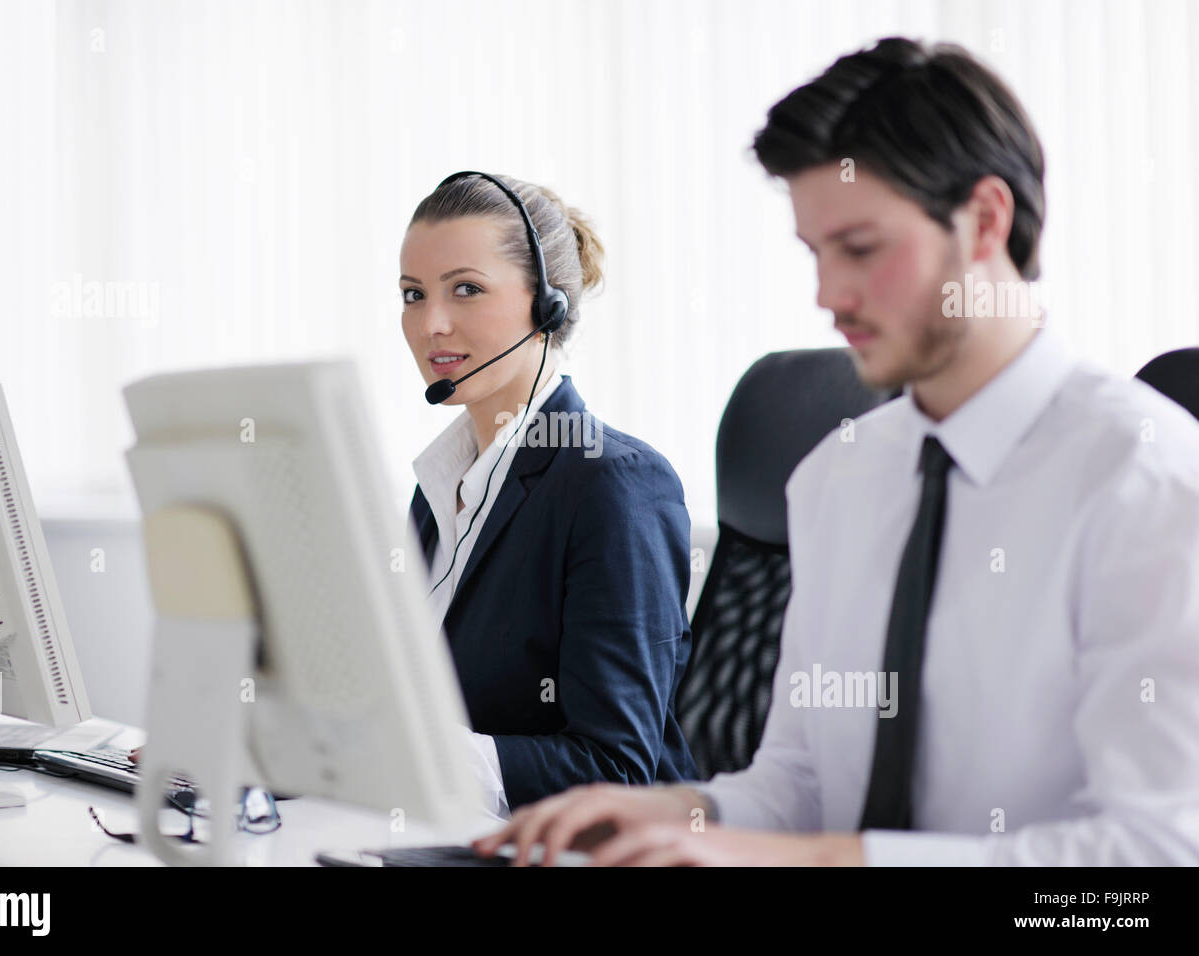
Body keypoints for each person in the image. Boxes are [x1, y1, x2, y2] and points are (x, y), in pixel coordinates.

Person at [475, 37, 1199, 865]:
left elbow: (1153, 862)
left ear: (988, 220)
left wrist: (819, 863)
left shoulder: (1148, 481)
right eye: (814, 255)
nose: (827, 297)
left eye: (859, 249)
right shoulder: (839, 477)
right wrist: (673, 814)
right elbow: (801, 782)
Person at [400, 171, 698, 816]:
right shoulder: (437, 488)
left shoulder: (613, 484)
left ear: (547, 305)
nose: (432, 324)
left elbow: (615, 769)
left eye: (466, 290)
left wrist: (415, 754)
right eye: (413, 294)